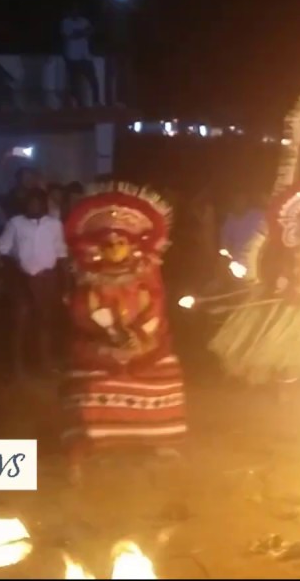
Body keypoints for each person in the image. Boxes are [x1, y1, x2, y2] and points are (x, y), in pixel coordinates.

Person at [208, 91, 300, 392]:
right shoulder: (288, 249)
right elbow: (276, 268)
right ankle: (284, 385)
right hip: (290, 300)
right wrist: (287, 284)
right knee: (283, 346)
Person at [62, 182, 185, 485]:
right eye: (109, 243)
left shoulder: (147, 272)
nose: (115, 247)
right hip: (100, 345)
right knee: (90, 387)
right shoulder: (90, 276)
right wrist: (109, 333)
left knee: (162, 373)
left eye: (121, 242)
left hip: (145, 343)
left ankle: (159, 441)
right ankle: (85, 449)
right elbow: (83, 309)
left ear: (132, 245)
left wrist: (140, 334)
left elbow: (155, 303)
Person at [0, 189, 67, 378]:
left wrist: (63, 282)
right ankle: (17, 367)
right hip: (23, 279)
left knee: (45, 322)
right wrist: (15, 269)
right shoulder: (15, 223)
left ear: (44, 205)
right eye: (30, 203)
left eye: (37, 203)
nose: (33, 206)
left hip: (47, 279)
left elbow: (61, 252)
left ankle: (45, 363)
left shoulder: (54, 224)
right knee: (20, 323)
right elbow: (3, 249)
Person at [61, 5, 100, 107]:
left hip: (85, 56)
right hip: (72, 57)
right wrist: (83, 32)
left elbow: (91, 31)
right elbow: (71, 36)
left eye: (77, 10)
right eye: (73, 10)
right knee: (74, 81)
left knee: (93, 80)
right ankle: (77, 102)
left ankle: (96, 101)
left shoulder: (84, 21)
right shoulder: (66, 22)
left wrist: (80, 33)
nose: (76, 12)